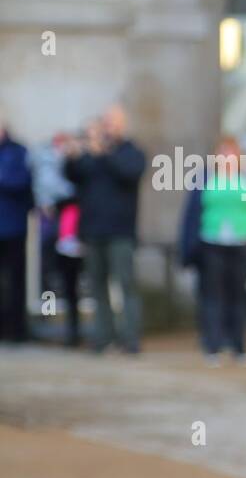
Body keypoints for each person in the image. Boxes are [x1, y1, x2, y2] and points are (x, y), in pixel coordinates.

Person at [179, 135, 246, 365]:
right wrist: (189, 247)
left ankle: (238, 345)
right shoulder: (205, 179)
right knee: (212, 296)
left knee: (237, 295)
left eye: (230, 153)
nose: (226, 158)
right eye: (222, 153)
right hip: (211, 244)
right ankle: (212, 344)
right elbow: (192, 214)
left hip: (242, 245)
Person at [64, 105, 147, 353]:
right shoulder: (92, 154)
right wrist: (72, 157)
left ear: (123, 124)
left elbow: (129, 173)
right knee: (97, 287)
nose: (108, 126)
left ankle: (130, 338)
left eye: (113, 121)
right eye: (106, 121)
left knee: (125, 285)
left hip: (120, 232)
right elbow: (73, 176)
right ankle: (102, 337)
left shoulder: (132, 152)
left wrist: (105, 152)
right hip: (92, 230)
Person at [31, 132, 81, 346]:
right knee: (51, 278)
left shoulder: (78, 167)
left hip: (75, 233)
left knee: (74, 282)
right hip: (52, 231)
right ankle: (51, 318)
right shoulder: (45, 165)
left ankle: (74, 329)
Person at [0, 114, 34, 343]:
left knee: (15, 281)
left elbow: (22, 182)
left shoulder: (18, 151)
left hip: (13, 227)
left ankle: (16, 330)